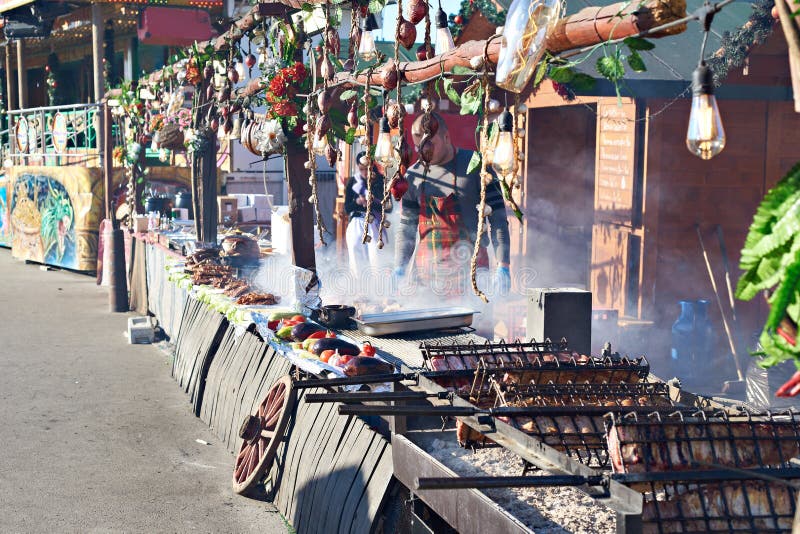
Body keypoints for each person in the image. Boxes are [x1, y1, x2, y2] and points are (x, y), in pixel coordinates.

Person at [394, 112, 511, 301]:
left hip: (470, 275)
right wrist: (399, 266)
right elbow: (407, 227)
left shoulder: (477, 165)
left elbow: (498, 218)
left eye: (429, 144)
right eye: (418, 146)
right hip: (425, 278)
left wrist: (503, 264)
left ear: (446, 137)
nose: (423, 151)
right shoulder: (412, 176)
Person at [344, 152, 390, 278]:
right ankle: (359, 289)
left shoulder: (381, 181)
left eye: (367, 169)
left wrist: (373, 202)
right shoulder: (354, 181)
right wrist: (357, 202)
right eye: (361, 169)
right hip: (357, 221)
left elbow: (388, 208)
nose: (365, 172)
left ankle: (377, 288)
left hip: (374, 222)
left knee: (376, 258)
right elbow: (347, 208)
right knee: (355, 254)